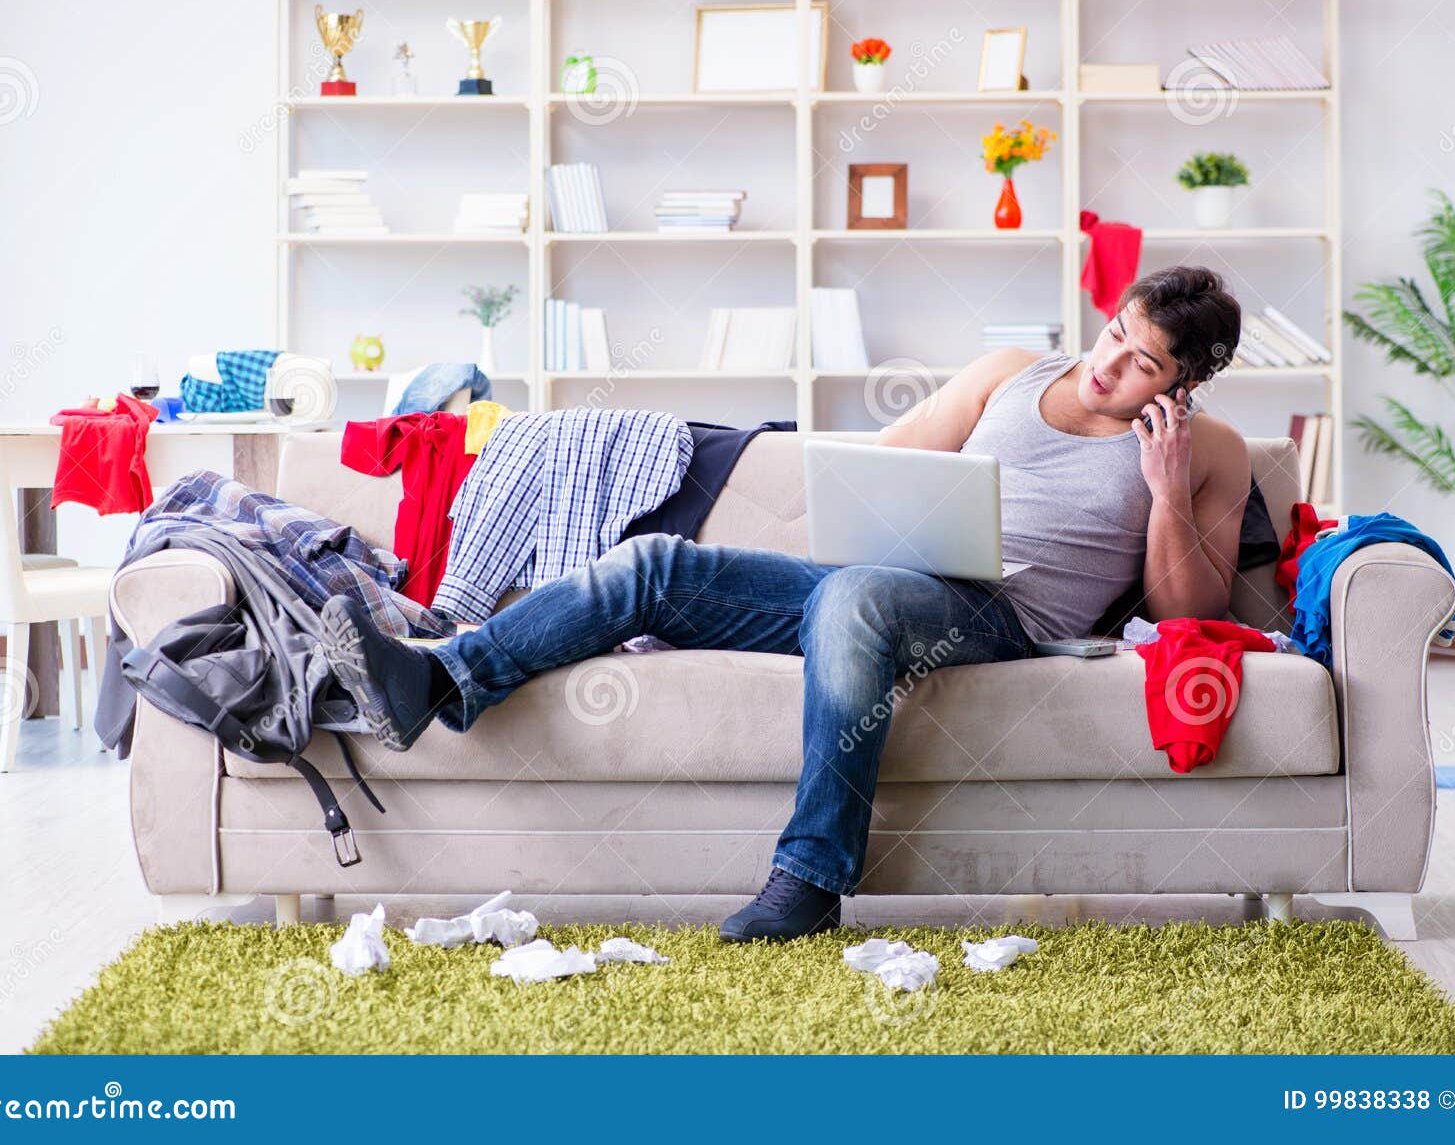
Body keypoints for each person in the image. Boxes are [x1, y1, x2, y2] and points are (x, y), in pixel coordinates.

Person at [319, 264, 1252, 942]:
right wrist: (900, 508)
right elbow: (879, 463)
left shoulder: (1209, 452)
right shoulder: (1010, 370)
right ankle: (439, 680)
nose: (1107, 366)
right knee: (655, 565)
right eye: (1112, 336)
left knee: (855, 603)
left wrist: (1166, 491)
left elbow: (1185, 609)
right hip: (885, 579)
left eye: (1141, 365)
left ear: (1185, 383)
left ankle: (810, 878)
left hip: (1000, 622)